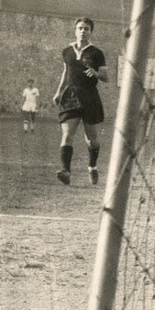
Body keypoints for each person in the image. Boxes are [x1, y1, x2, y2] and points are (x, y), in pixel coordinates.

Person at [53, 17, 108, 185]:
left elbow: (106, 77)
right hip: (70, 95)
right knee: (67, 134)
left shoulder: (96, 53)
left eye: (86, 28)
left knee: (91, 139)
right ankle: (66, 170)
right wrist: (58, 92)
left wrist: (96, 73)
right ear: (75, 30)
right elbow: (65, 72)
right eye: (80, 28)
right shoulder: (67, 51)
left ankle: (92, 166)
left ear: (91, 32)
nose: (83, 31)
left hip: (89, 96)